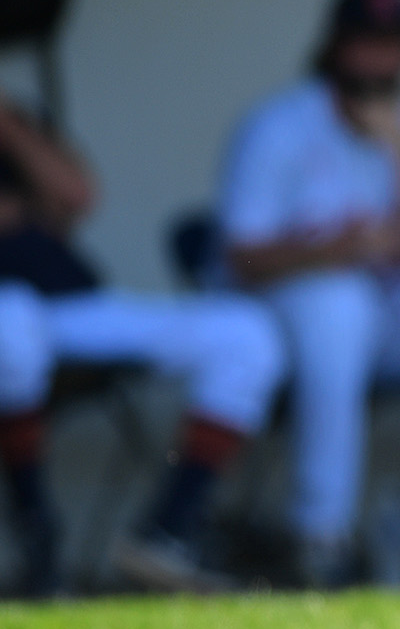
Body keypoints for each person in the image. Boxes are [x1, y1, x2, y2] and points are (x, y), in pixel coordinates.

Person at [219, 0, 400, 586]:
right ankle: (320, 533)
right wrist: (334, 248)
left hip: (386, 315)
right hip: (291, 317)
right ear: (336, 47)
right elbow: (241, 254)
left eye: (393, 45)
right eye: (367, 43)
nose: (380, 59)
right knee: (338, 305)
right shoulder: (282, 125)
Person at [0, 92, 284, 595]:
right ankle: (35, 531)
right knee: (12, 326)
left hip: (67, 301)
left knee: (245, 333)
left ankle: (168, 531)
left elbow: (74, 197)